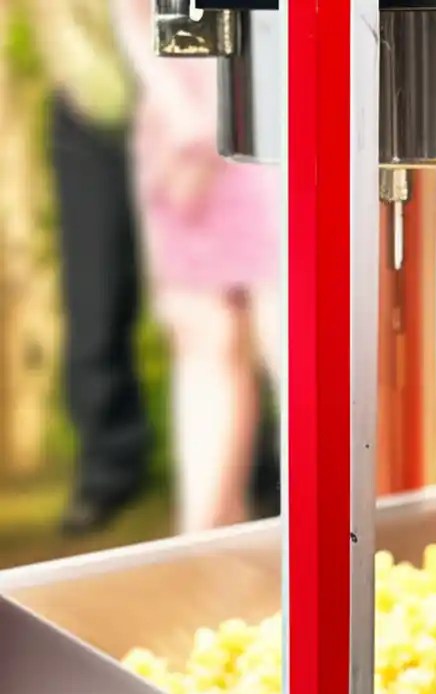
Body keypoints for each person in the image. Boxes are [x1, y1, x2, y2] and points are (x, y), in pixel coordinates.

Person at [113, 0, 282, 533]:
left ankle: (327, 538)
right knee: (202, 336)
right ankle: (205, 539)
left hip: (278, 106)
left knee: (295, 340)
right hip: (183, 127)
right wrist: (178, 104)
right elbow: (133, 13)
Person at [28, 0, 149, 535]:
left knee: (223, 302)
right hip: (92, 112)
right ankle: (108, 467)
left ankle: (261, 466)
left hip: (187, 107)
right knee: (95, 296)